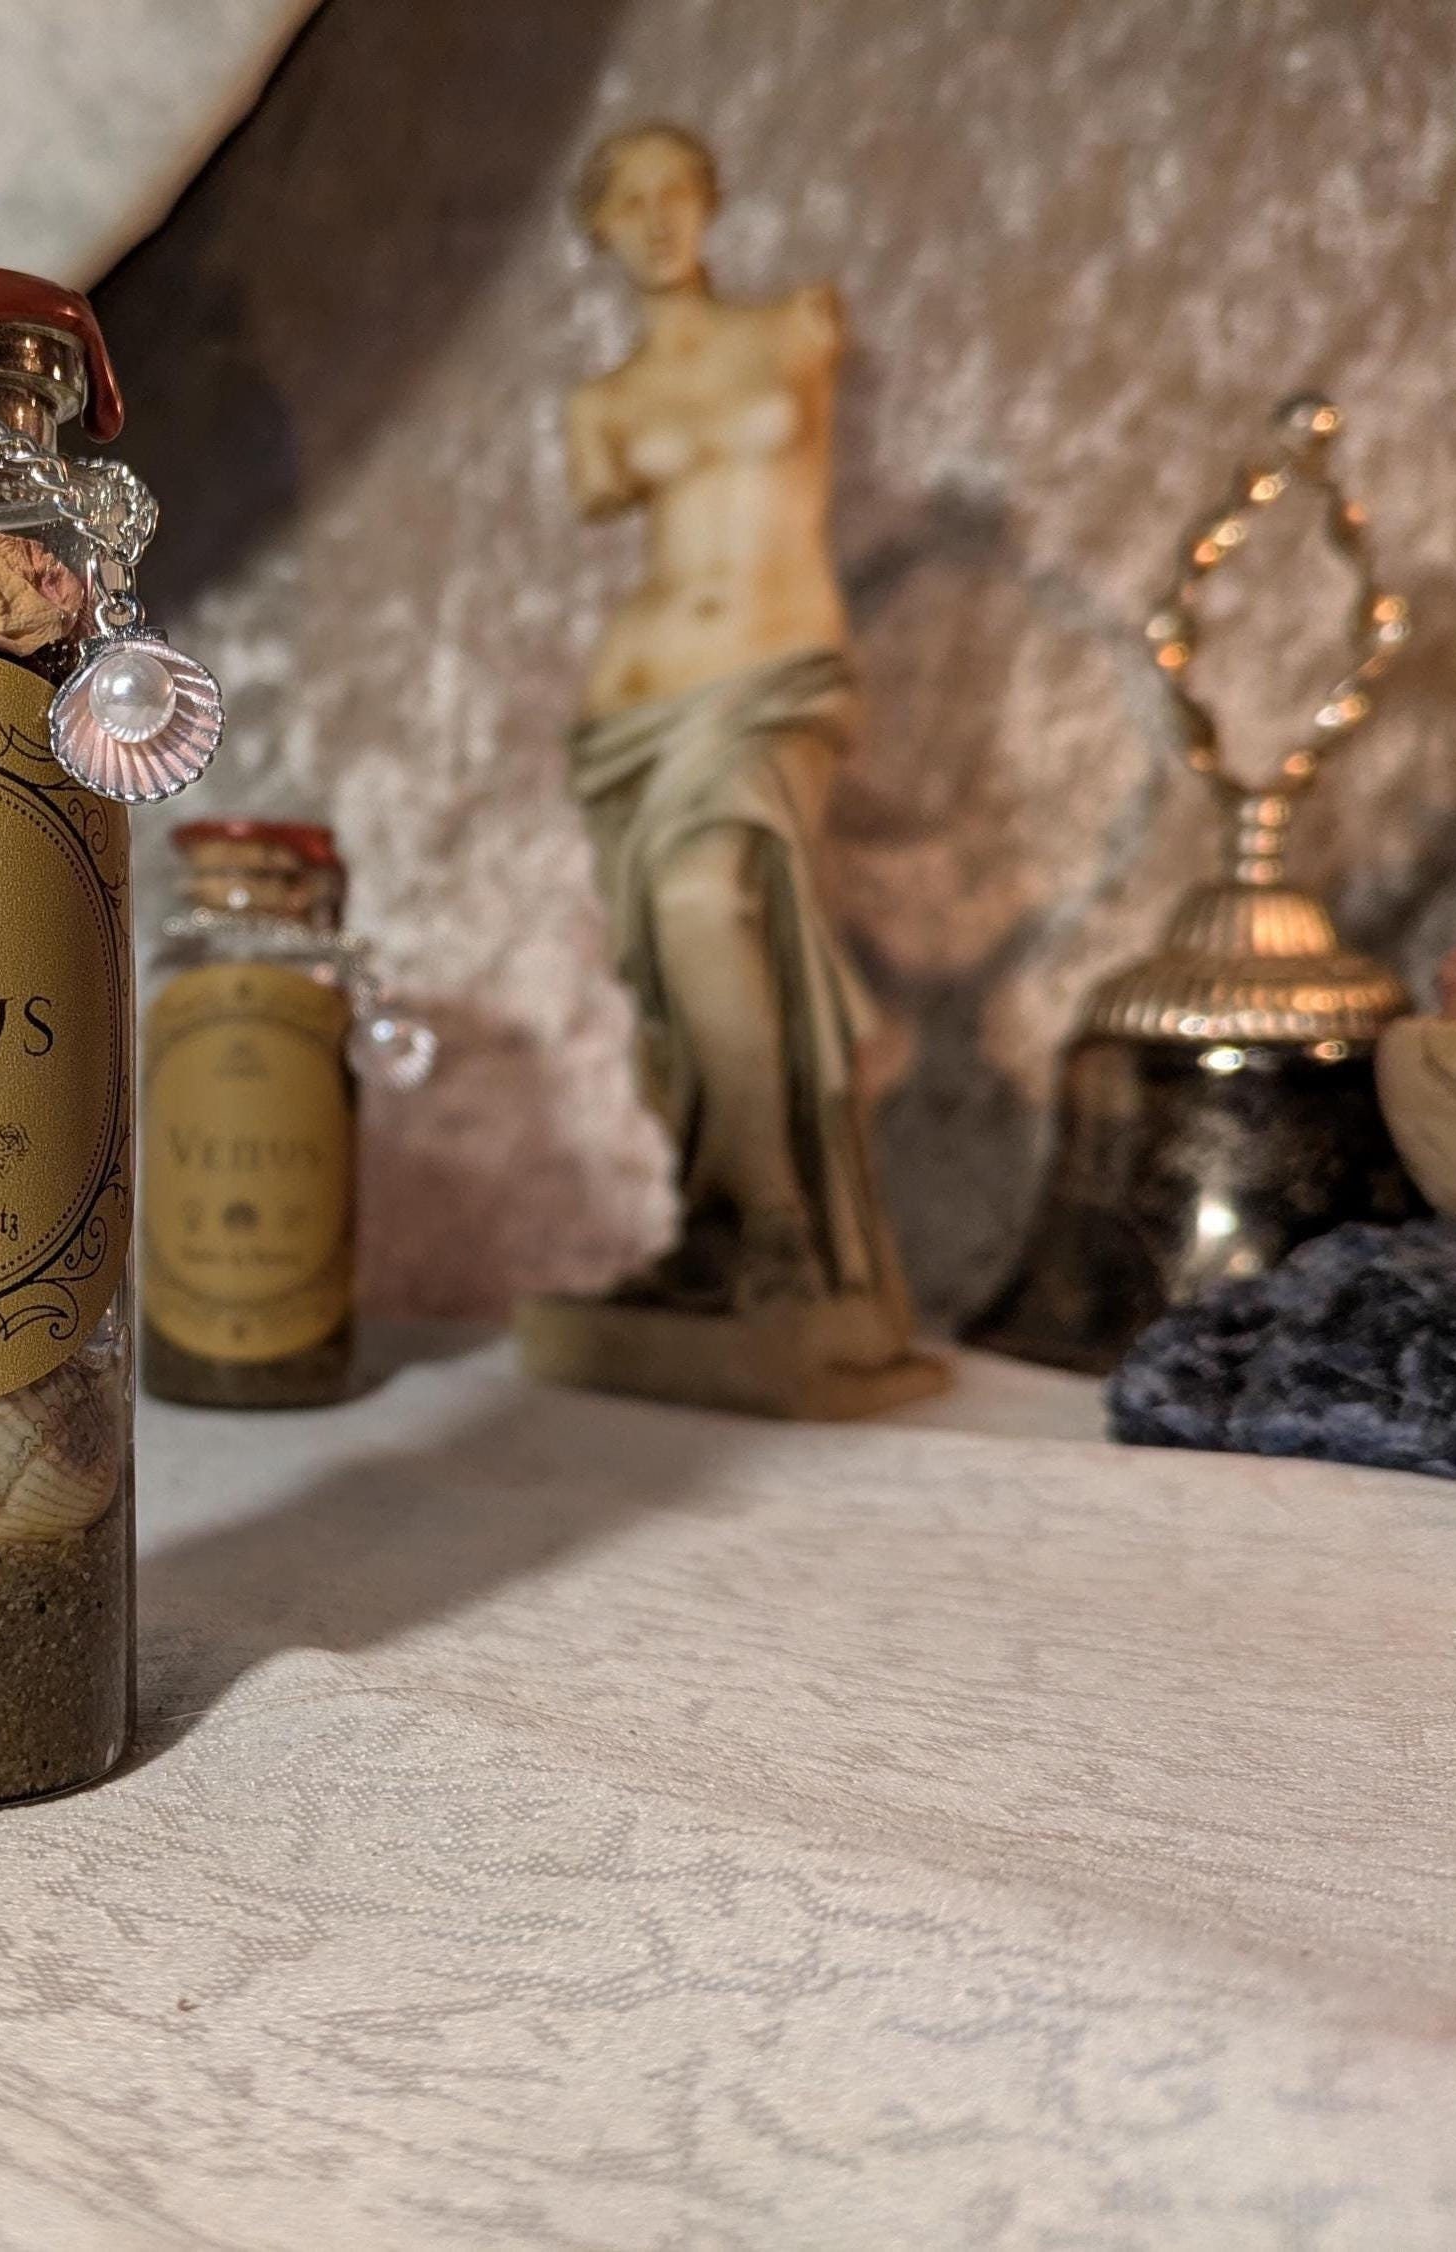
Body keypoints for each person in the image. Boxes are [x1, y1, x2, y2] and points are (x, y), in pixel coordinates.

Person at [551, 123, 928, 1399]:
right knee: (671, 967)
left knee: (703, 895)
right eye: (627, 202)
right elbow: (603, 499)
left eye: (675, 191)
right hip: (637, 704)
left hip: (771, 674)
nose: (657, 219)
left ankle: (776, 1228)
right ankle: (719, 1226)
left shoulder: (793, 328)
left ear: (710, 202)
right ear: (598, 232)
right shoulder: (599, 407)